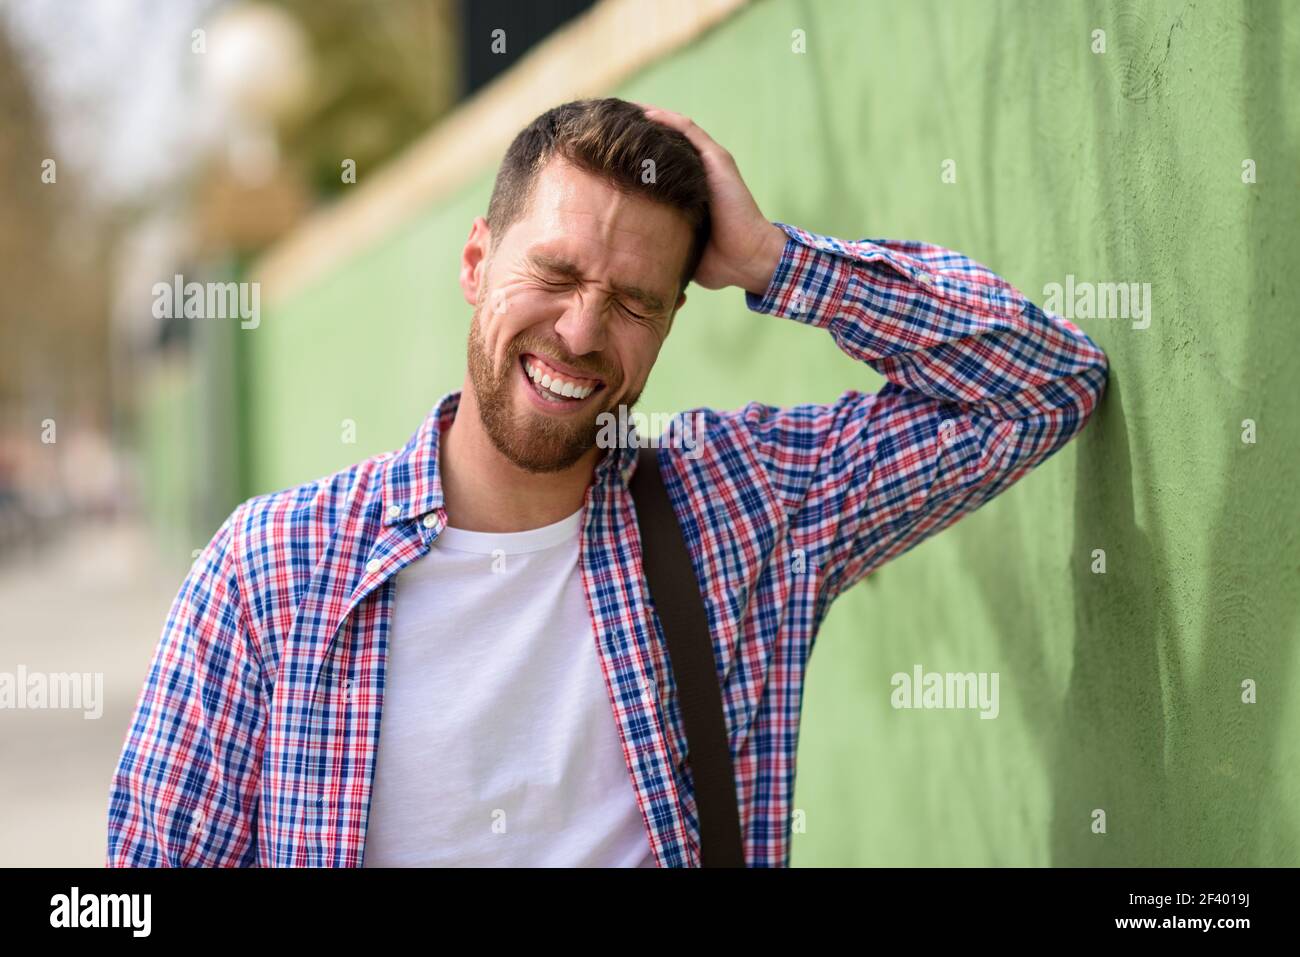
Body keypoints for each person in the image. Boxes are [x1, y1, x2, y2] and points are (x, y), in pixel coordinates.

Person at [106, 97, 1108, 867]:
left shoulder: (743, 508)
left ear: (674, 318)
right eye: (554, 274)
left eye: (633, 301)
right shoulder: (273, 569)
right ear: (474, 260)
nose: (581, 333)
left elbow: (1040, 386)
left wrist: (773, 259)